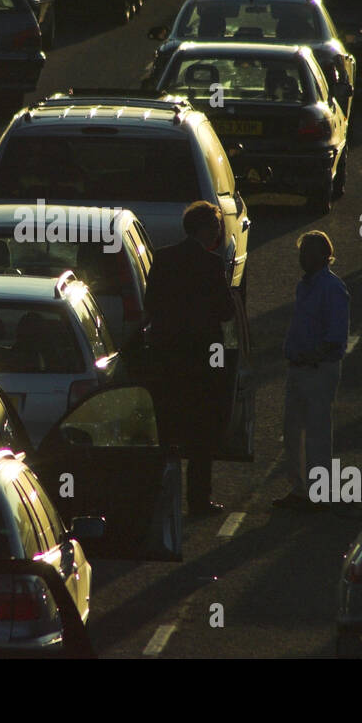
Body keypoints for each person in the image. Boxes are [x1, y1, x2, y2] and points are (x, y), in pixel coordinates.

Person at [143, 200, 236, 516]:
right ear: (207, 228)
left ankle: (158, 499)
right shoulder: (211, 265)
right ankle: (198, 499)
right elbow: (226, 311)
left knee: (166, 431)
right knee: (202, 432)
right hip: (201, 358)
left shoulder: (164, 257)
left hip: (167, 357)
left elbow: (150, 303)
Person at [273, 231, 349, 511]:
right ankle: (299, 489)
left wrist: (313, 356)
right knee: (293, 430)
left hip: (318, 368)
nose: (302, 258)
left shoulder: (332, 288)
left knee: (316, 430)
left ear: (323, 255)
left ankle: (318, 492)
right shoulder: (305, 285)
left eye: (308, 252)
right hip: (299, 367)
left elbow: (336, 335)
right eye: (301, 252)